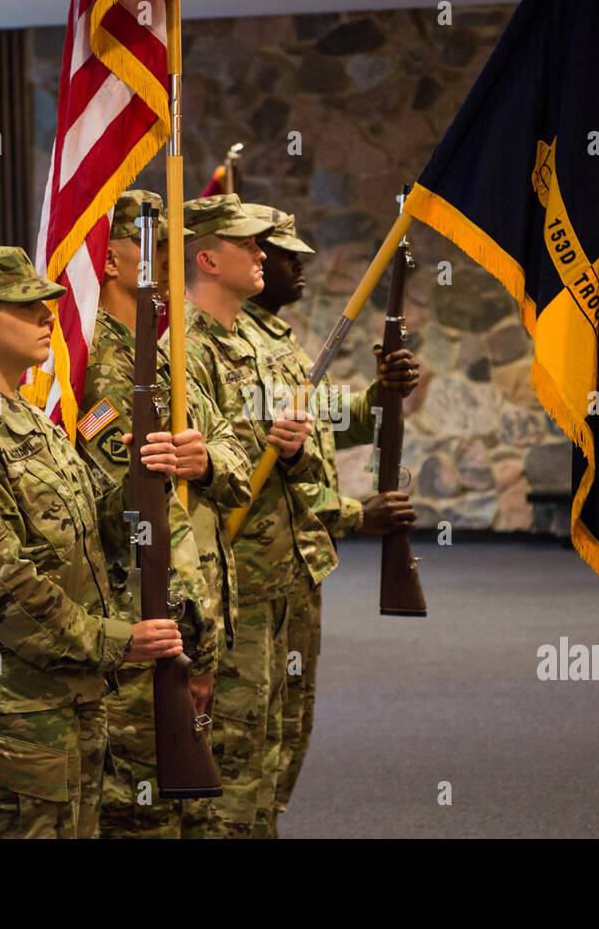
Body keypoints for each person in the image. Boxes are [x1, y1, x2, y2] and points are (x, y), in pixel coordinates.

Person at [0, 246, 183, 839]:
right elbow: (3, 590)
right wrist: (115, 641)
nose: (48, 316)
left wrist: (142, 482)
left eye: (47, 303)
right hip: (10, 712)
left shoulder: (29, 423)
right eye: (26, 307)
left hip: (64, 695)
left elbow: (80, 537)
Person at [77, 191, 252, 839]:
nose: (171, 264)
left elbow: (237, 454)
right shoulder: (106, 370)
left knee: (191, 812)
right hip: (148, 624)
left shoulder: (167, 355)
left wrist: (207, 462)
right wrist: (193, 643)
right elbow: (147, 517)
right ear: (112, 263)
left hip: (195, 604)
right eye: (153, 247)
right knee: (143, 815)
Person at [240, 201, 419, 825]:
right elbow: (252, 473)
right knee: (247, 741)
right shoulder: (226, 347)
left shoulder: (274, 342)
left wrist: (380, 395)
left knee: (288, 725)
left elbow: (319, 427)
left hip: (292, 569)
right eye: (286, 255)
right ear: (249, 260)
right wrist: (350, 515)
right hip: (250, 572)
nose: (300, 266)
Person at [176, 194, 326, 839]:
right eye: (249, 245)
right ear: (207, 258)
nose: (265, 254)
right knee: (230, 746)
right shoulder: (183, 349)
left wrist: (296, 453)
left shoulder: (258, 338)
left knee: (278, 732)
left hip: (285, 567)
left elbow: (307, 455)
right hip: (229, 579)